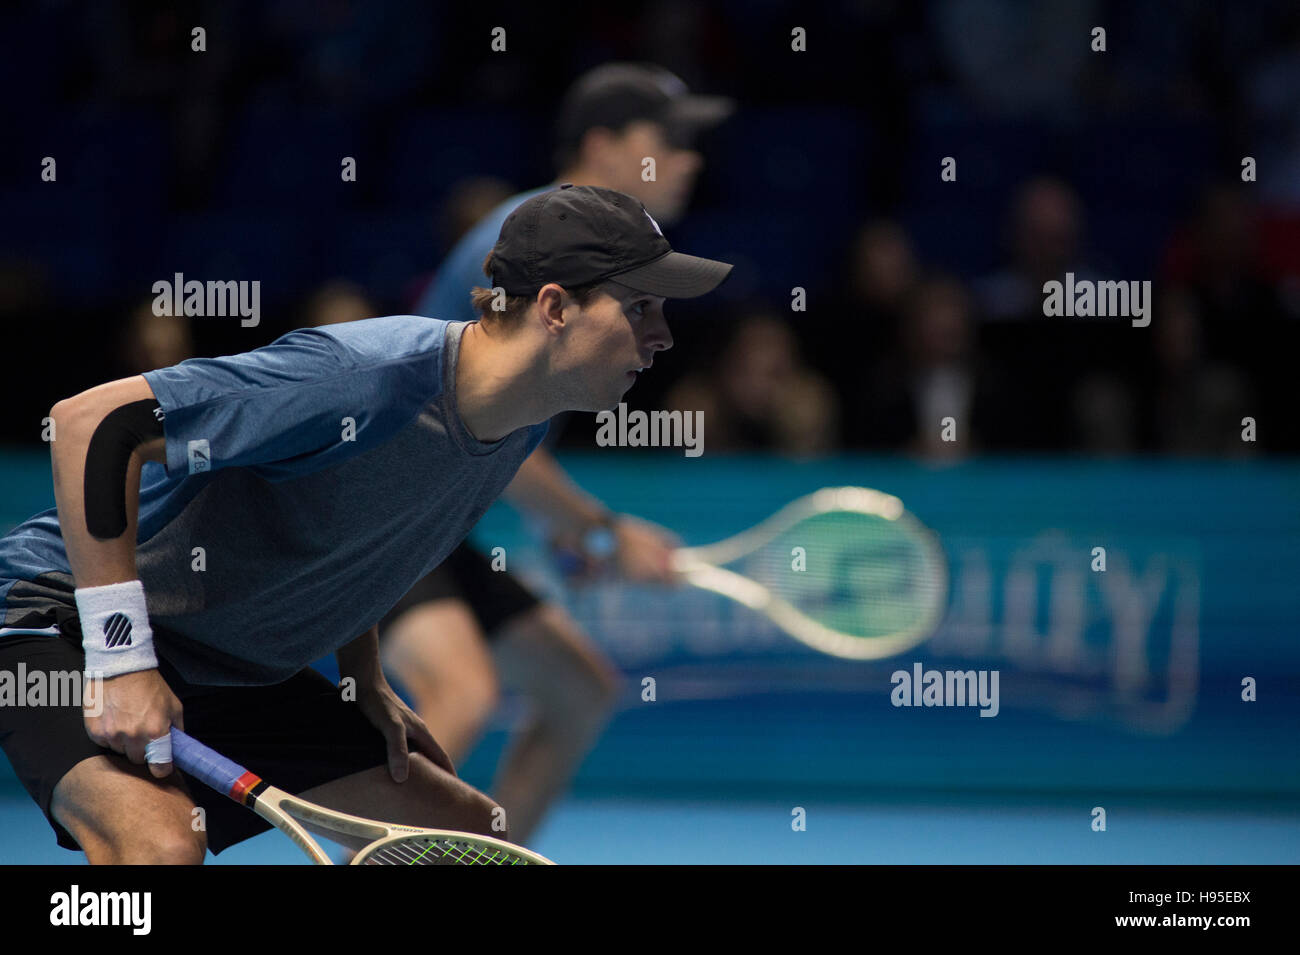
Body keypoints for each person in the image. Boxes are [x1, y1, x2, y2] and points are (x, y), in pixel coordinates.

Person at [0, 185, 732, 862]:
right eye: (639, 305)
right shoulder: (363, 376)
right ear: (554, 307)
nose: (663, 335)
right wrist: (123, 654)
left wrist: (363, 674)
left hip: (237, 666)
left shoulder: (521, 422)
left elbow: (363, 532)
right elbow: (89, 424)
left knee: (462, 843)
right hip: (58, 617)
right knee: (158, 847)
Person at [388, 63, 733, 841]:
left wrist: (570, 532)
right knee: (460, 696)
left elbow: (506, 438)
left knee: (577, 690)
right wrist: (597, 528)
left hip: (437, 522)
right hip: (378, 508)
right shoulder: (525, 243)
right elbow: (474, 419)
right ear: (605, 144)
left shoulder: (593, 257)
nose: (692, 158)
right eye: (670, 140)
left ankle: (493, 862)